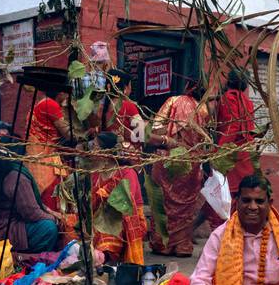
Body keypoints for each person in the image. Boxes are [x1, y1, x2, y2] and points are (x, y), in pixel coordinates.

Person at [148, 82, 213, 256]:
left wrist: (170, 137)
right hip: (190, 164)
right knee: (185, 206)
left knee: (164, 202)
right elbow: (205, 140)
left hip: (167, 160)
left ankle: (163, 244)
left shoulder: (172, 101)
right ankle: (182, 245)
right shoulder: (204, 109)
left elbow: (156, 128)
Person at [0, 146, 62, 253]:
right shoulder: (17, 177)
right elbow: (32, 214)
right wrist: (55, 220)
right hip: (2, 233)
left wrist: (49, 211)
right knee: (48, 227)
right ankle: (28, 258)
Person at [89, 132, 146, 265]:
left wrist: (102, 195)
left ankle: (103, 259)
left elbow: (124, 204)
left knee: (107, 232)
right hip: (101, 218)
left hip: (126, 220)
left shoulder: (127, 172)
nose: (92, 150)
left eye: (96, 147)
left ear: (108, 152)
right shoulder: (95, 175)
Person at [25, 88, 72, 208]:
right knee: (49, 193)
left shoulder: (43, 102)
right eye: (66, 93)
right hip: (44, 156)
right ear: (60, 93)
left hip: (40, 153)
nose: (67, 97)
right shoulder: (51, 104)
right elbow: (68, 134)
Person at [216, 68, 256, 194]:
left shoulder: (228, 98)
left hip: (232, 154)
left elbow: (232, 126)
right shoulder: (247, 102)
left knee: (229, 191)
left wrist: (219, 152)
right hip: (245, 152)